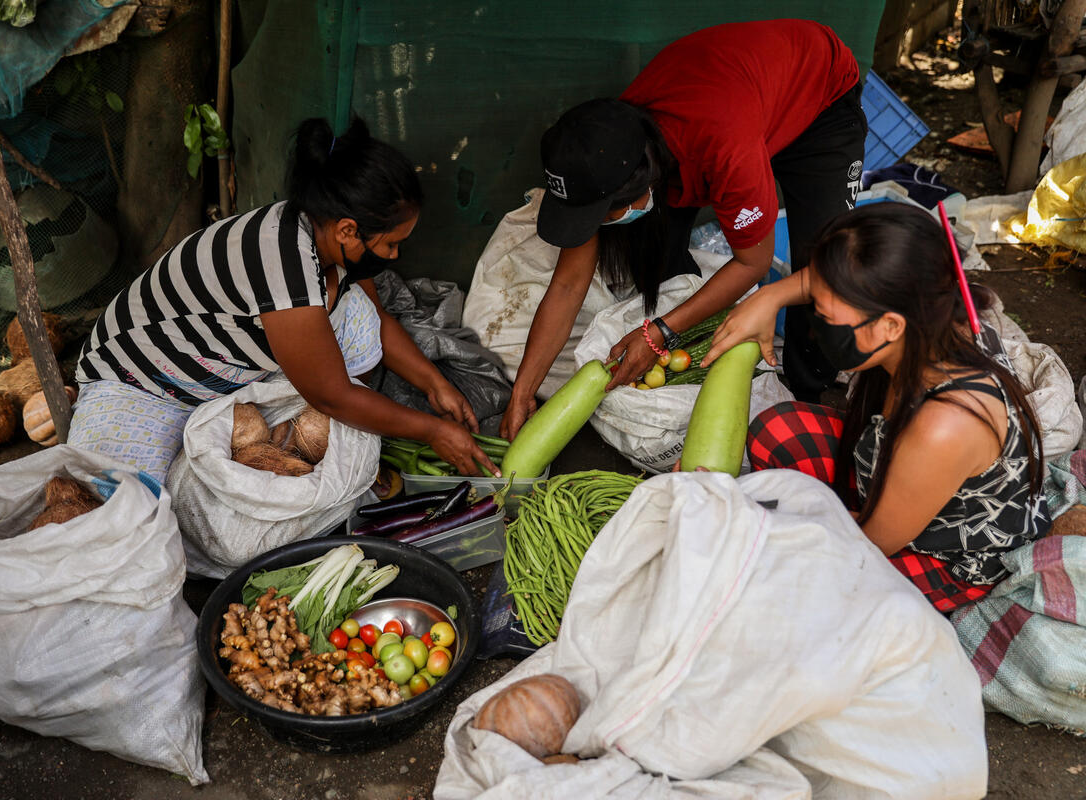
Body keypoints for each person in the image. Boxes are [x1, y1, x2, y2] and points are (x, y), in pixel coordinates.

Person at [69, 117, 499, 482]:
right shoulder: (284, 267)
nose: (394, 256)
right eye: (390, 244)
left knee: (358, 314)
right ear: (348, 230)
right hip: (141, 384)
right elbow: (333, 397)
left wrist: (435, 384)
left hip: (221, 373)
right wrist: (431, 431)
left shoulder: (321, 233)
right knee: (126, 504)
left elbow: (379, 321)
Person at [501, 19, 867, 438]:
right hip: (741, 98)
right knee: (656, 257)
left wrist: (659, 333)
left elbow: (753, 262)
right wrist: (521, 392)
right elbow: (568, 284)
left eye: (601, 214)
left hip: (819, 99)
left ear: (644, 183)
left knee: (823, 266)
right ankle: (693, 356)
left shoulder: (724, 151)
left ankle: (807, 396)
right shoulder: (607, 148)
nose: (594, 228)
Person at [701, 203, 1050, 612]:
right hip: (895, 473)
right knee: (777, 432)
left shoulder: (944, 425)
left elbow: (872, 541)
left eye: (825, 314)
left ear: (890, 325)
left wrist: (743, 511)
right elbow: (821, 280)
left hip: (941, 557)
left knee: (783, 586)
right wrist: (771, 296)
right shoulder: (931, 313)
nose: (815, 322)